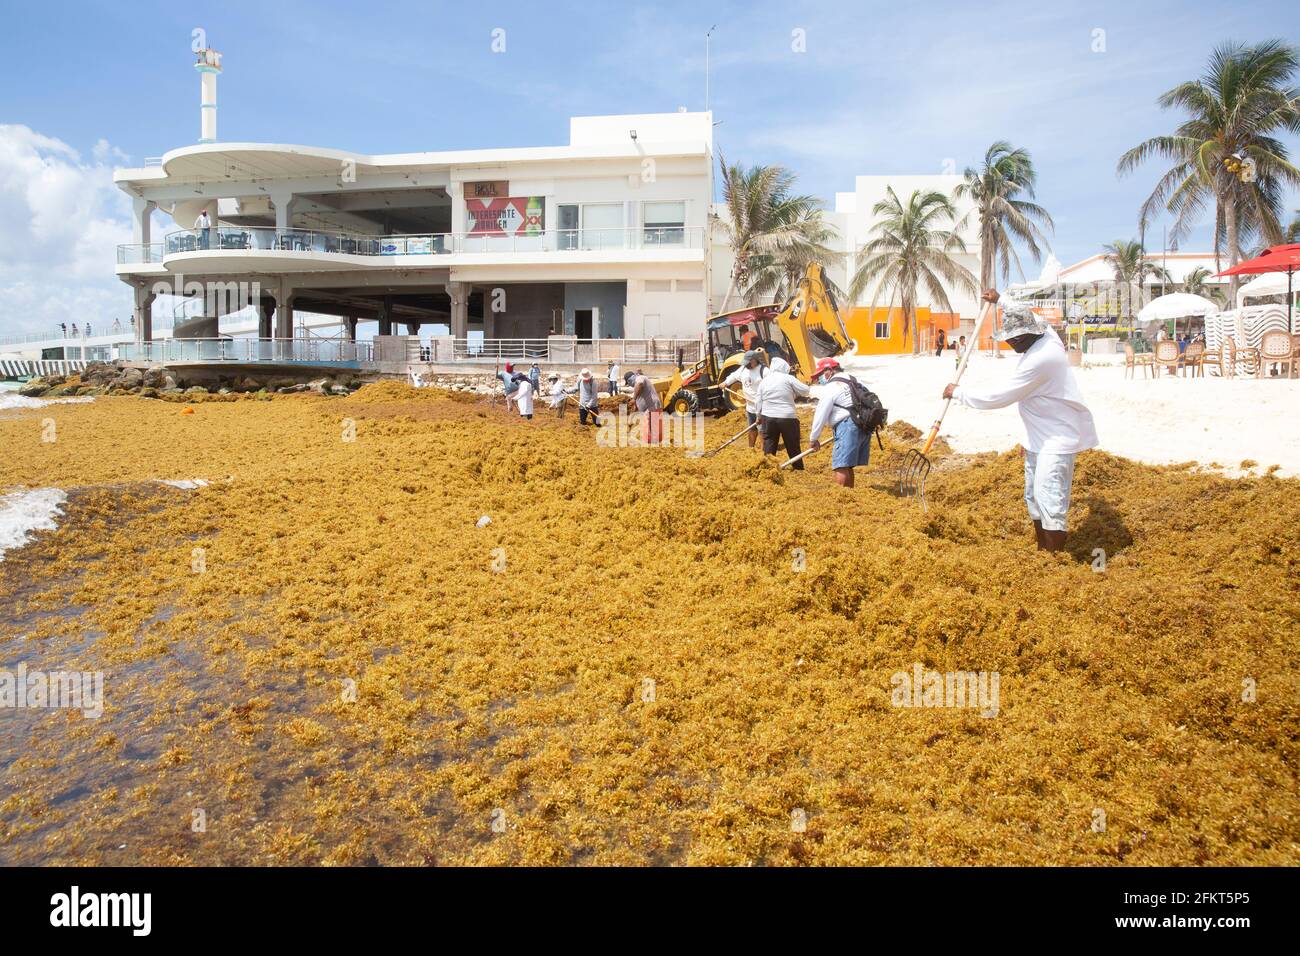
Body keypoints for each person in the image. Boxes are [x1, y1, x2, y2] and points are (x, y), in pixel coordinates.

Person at [942, 289, 1098, 552]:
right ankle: (1042, 553)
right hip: (1038, 436)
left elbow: (1000, 396)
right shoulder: (1045, 332)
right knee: (1033, 497)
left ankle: (1053, 561)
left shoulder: (1041, 359)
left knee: (1049, 499)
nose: (1010, 344)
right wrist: (999, 299)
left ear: (1027, 334)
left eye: (1013, 339)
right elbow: (1022, 309)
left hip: (1057, 439)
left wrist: (958, 393)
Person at [809, 357, 871, 488]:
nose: (820, 378)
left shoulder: (831, 387)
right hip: (863, 424)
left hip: (847, 425)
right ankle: (849, 494)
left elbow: (821, 414)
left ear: (828, 371)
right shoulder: (853, 379)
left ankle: (840, 499)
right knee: (848, 465)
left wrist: (813, 439)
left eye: (821, 374)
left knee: (840, 465)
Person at [754, 357, 810, 468]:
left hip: (768, 417)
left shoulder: (765, 381)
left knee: (769, 445)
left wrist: (758, 415)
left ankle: (768, 469)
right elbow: (805, 391)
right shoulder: (788, 378)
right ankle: (798, 468)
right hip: (787, 417)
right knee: (793, 445)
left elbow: (758, 401)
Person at [721, 350, 768, 449]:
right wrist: (725, 383)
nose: (746, 365)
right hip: (750, 407)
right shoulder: (743, 369)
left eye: (748, 362)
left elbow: (772, 386)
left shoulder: (764, 371)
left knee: (762, 430)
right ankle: (751, 449)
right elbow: (733, 376)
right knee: (752, 429)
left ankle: (764, 451)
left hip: (761, 407)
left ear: (754, 360)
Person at [629, 369, 663, 445]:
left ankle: (648, 442)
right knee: (654, 426)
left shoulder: (640, 378)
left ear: (630, 379)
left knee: (647, 423)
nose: (629, 385)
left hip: (651, 405)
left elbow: (640, 384)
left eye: (628, 383)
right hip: (653, 406)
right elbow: (639, 398)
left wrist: (634, 398)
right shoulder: (637, 386)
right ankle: (655, 441)